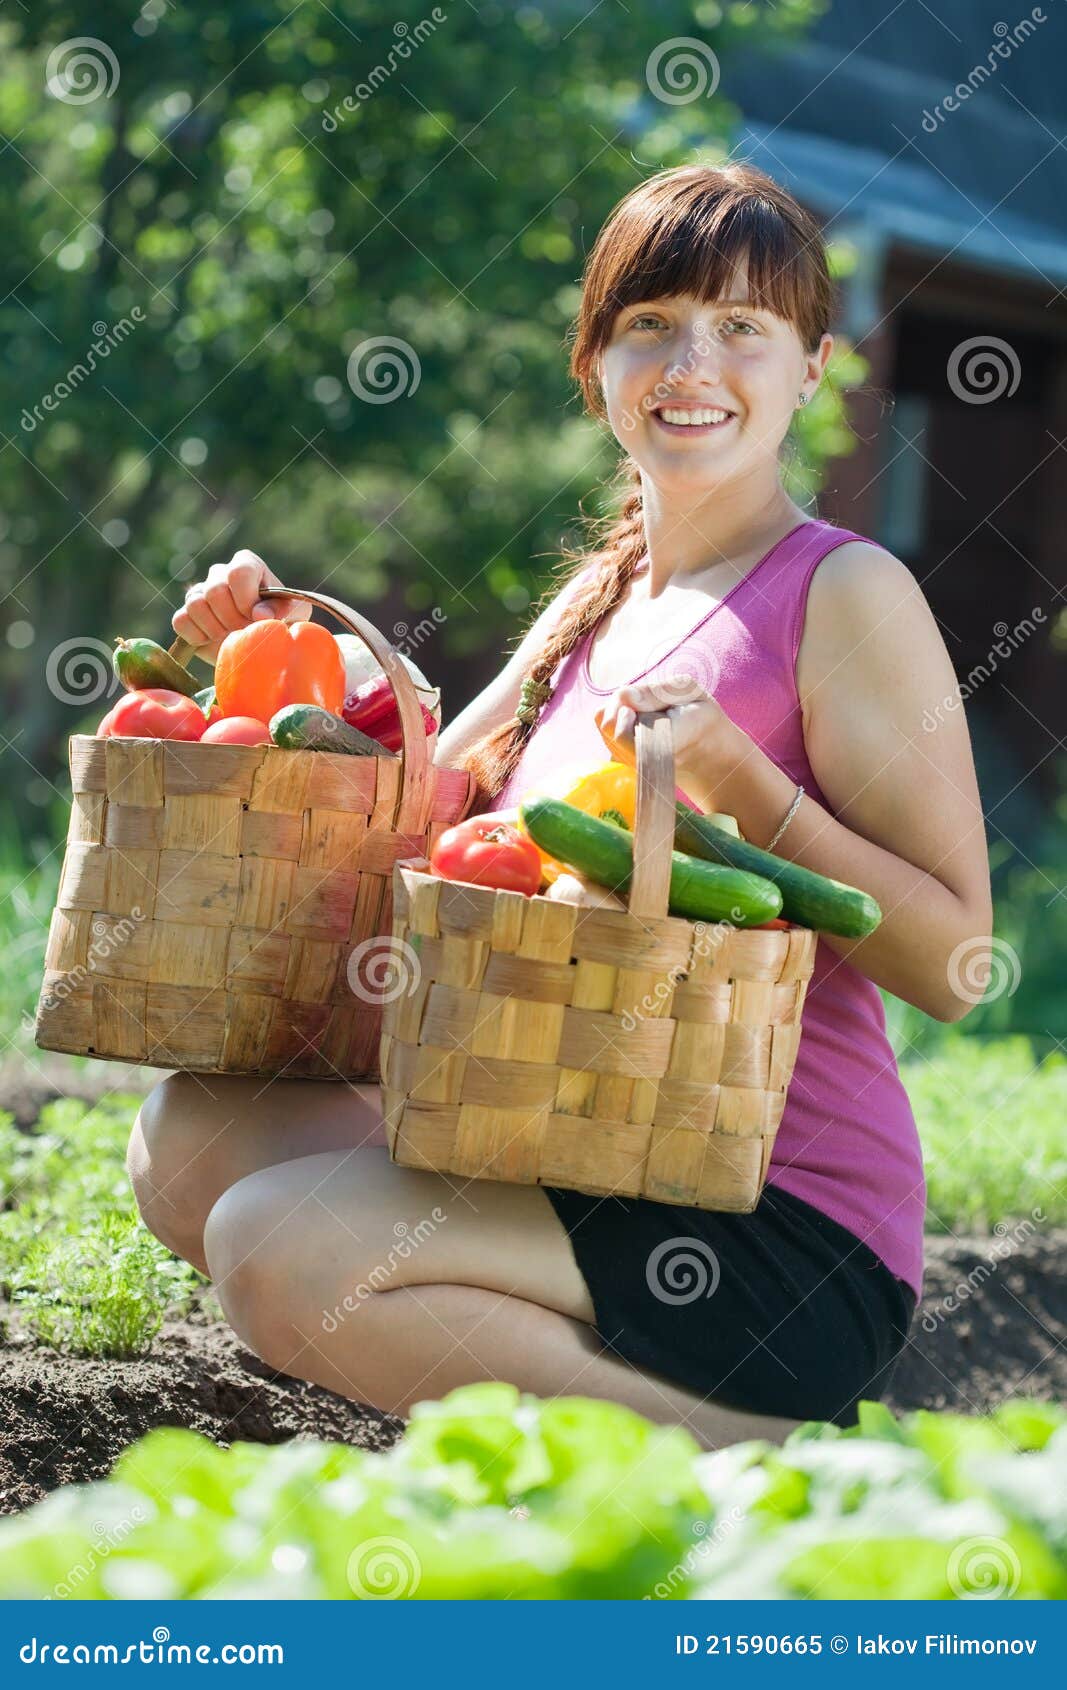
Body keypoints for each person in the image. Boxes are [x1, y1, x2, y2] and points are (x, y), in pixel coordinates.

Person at [129, 162, 992, 1449]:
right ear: (593, 364)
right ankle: (559, 1413)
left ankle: (753, 1458)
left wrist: (741, 788)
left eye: (740, 327)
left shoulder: (845, 595)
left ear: (811, 365)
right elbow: (414, 806)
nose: (689, 360)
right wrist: (272, 647)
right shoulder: (600, 598)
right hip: (578, 1140)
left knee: (277, 1250)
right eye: (648, 323)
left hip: (773, 1219)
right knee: (190, 1141)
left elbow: (956, 963)